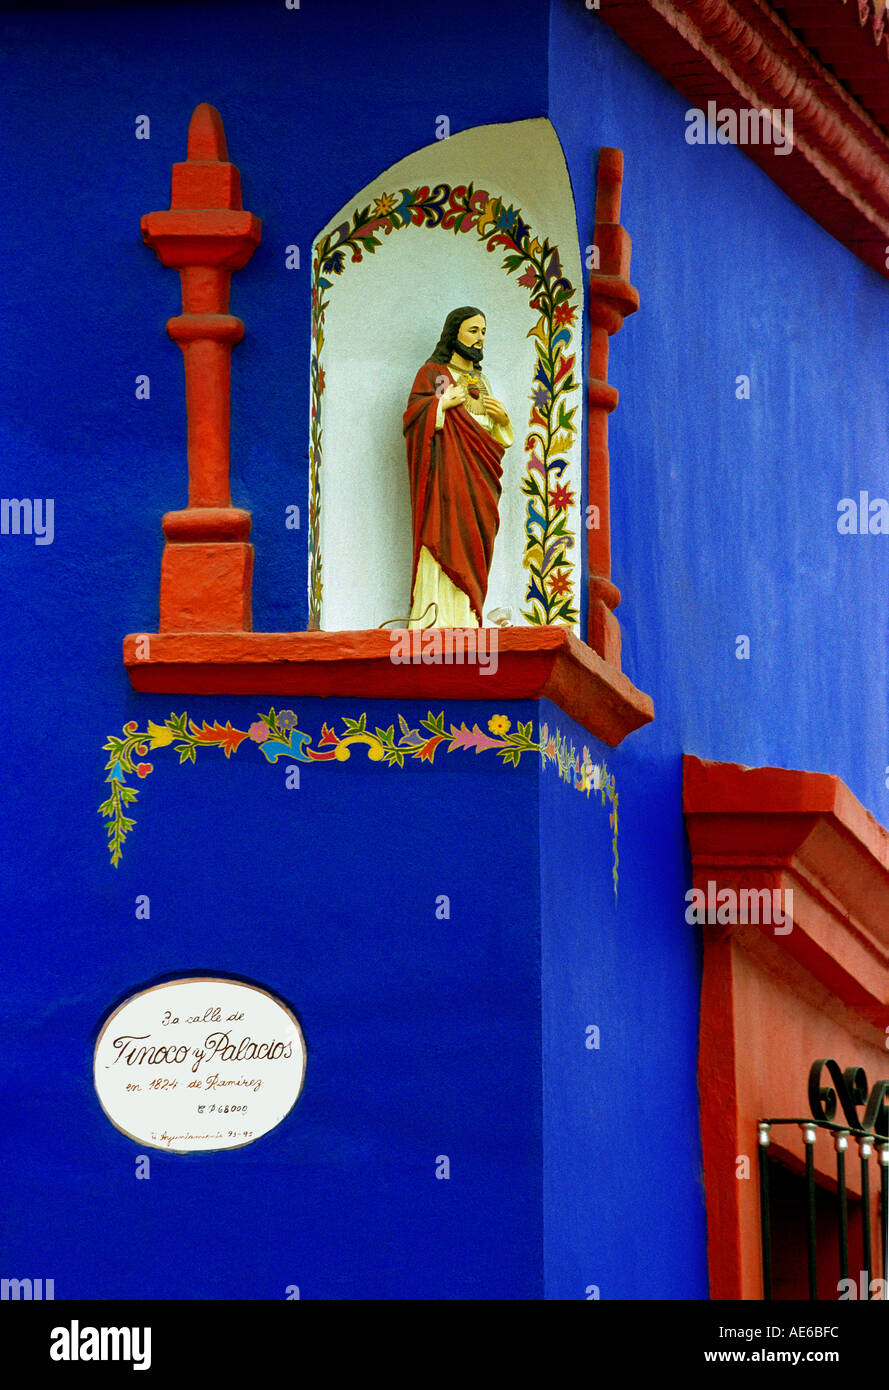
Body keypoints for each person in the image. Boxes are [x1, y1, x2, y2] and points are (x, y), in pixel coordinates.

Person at [403, 307, 513, 628]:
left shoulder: (482, 381)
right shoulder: (434, 375)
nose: (479, 339)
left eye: (483, 332)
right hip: (446, 478)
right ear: (455, 333)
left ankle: (467, 616)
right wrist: (441, 404)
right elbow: (413, 418)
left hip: (480, 479)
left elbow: (491, 436)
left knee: (474, 539)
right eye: (473, 330)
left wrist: (503, 421)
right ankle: (434, 619)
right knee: (443, 534)